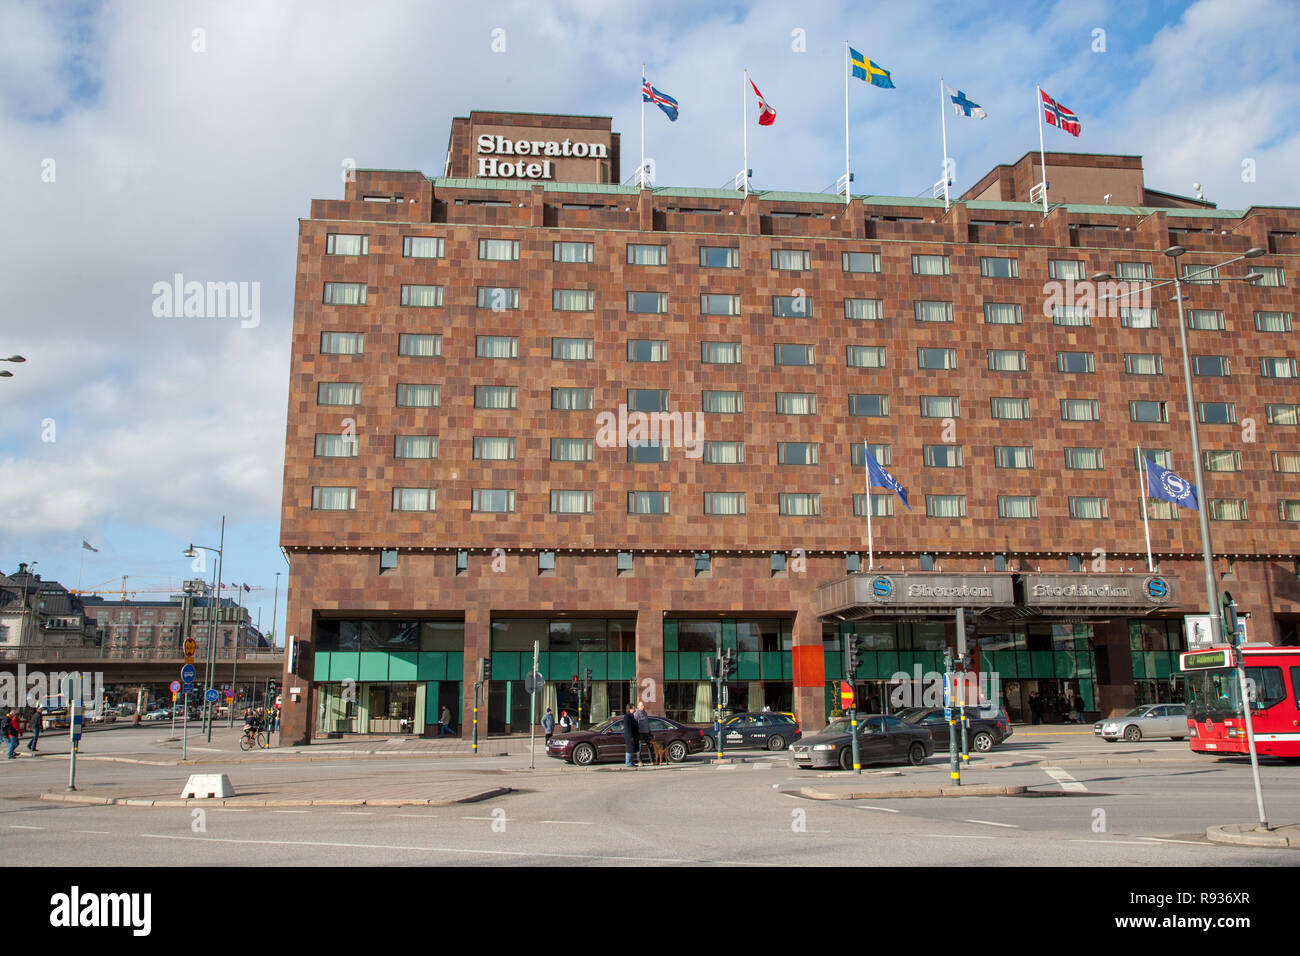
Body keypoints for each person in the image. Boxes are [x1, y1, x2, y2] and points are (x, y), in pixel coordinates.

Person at [634, 700, 653, 764]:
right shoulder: (636, 714)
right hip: (640, 733)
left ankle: (652, 760)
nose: (643, 706)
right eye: (642, 705)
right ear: (638, 706)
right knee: (639, 748)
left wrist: (650, 732)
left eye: (643, 705)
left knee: (650, 746)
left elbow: (647, 723)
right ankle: (640, 761)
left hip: (646, 732)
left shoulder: (645, 713)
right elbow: (635, 724)